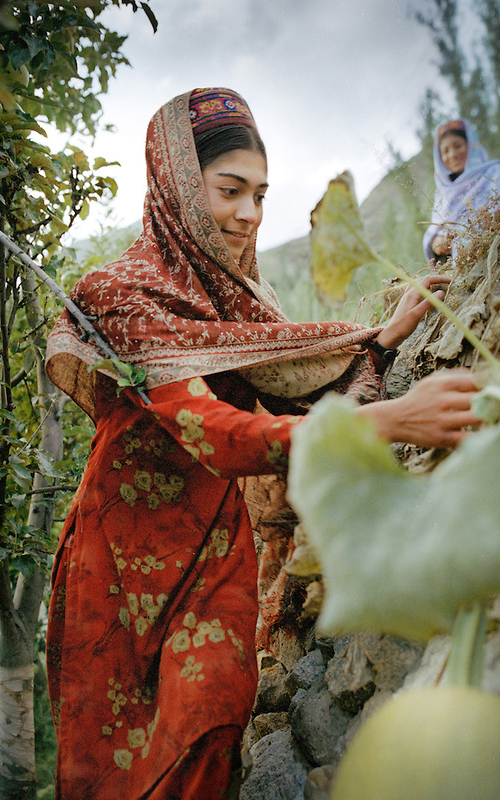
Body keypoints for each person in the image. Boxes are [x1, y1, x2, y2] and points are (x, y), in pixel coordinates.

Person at [45, 88, 480, 800]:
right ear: (179, 187)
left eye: (260, 194)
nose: (248, 214)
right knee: (117, 770)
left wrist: (383, 339)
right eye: (229, 190)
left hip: (214, 551)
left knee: (214, 720)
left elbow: (293, 381)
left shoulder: (236, 298)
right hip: (120, 566)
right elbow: (217, 433)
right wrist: (393, 419)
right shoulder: (121, 294)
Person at [423, 118, 500, 263]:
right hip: (465, 273)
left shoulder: (495, 174)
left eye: (457, 146)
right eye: (445, 151)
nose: (452, 154)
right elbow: (435, 234)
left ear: (471, 146)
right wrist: (437, 244)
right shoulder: (441, 194)